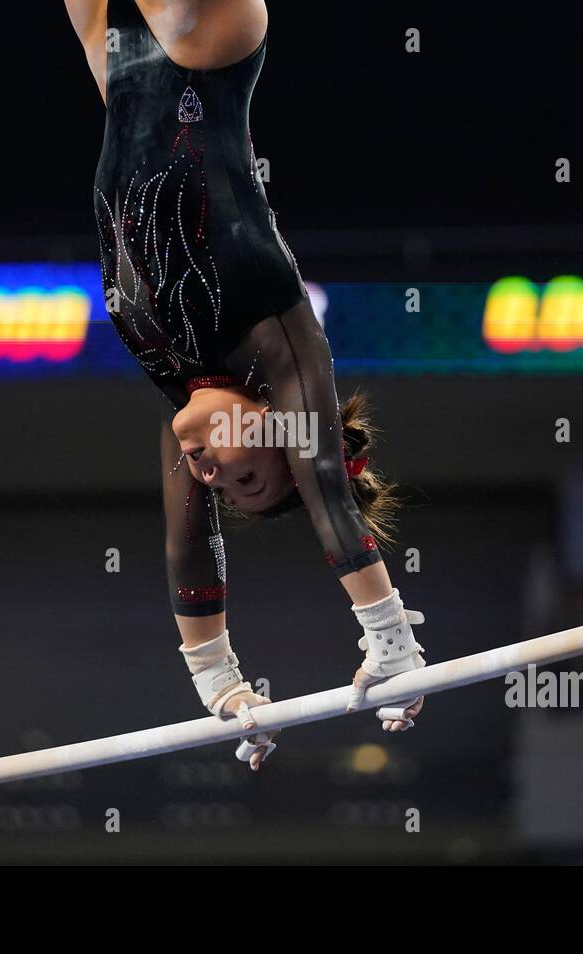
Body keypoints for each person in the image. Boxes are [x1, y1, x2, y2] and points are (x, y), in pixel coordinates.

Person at [65, 0, 426, 769]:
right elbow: (323, 478)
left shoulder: (175, 385)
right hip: (210, 52)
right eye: (248, 475)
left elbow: (188, 548)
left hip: (123, 75)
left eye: (217, 484)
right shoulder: (277, 338)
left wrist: (224, 691)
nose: (208, 471)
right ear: (274, 425)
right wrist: (391, 643)